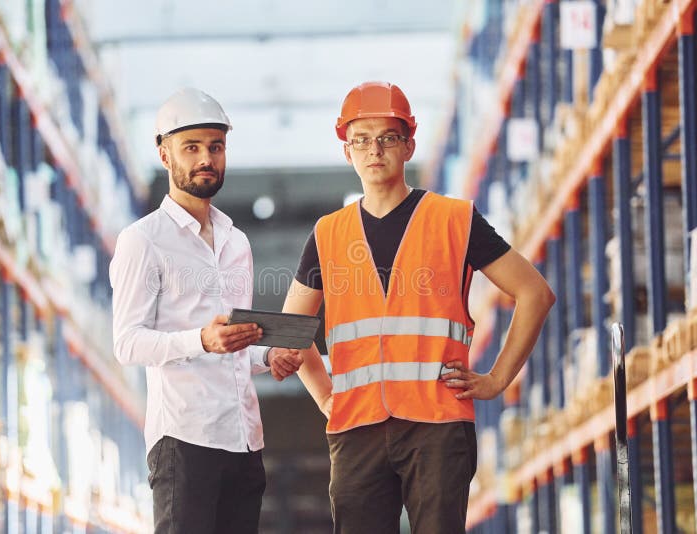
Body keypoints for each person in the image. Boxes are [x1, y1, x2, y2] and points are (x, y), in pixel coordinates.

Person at [281, 81, 555, 534]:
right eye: (361, 140)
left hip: (438, 425)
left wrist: (497, 379)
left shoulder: (455, 219)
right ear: (346, 151)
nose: (374, 150)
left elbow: (535, 293)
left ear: (409, 144)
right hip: (356, 426)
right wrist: (326, 395)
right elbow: (291, 329)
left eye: (387, 138)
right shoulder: (327, 234)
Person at [110, 88, 303, 534]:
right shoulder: (143, 240)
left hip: (244, 439)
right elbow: (127, 342)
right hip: (184, 440)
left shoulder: (236, 242)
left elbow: (235, 342)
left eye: (215, 147)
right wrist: (199, 339)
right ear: (164, 154)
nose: (206, 159)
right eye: (191, 147)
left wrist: (268, 356)